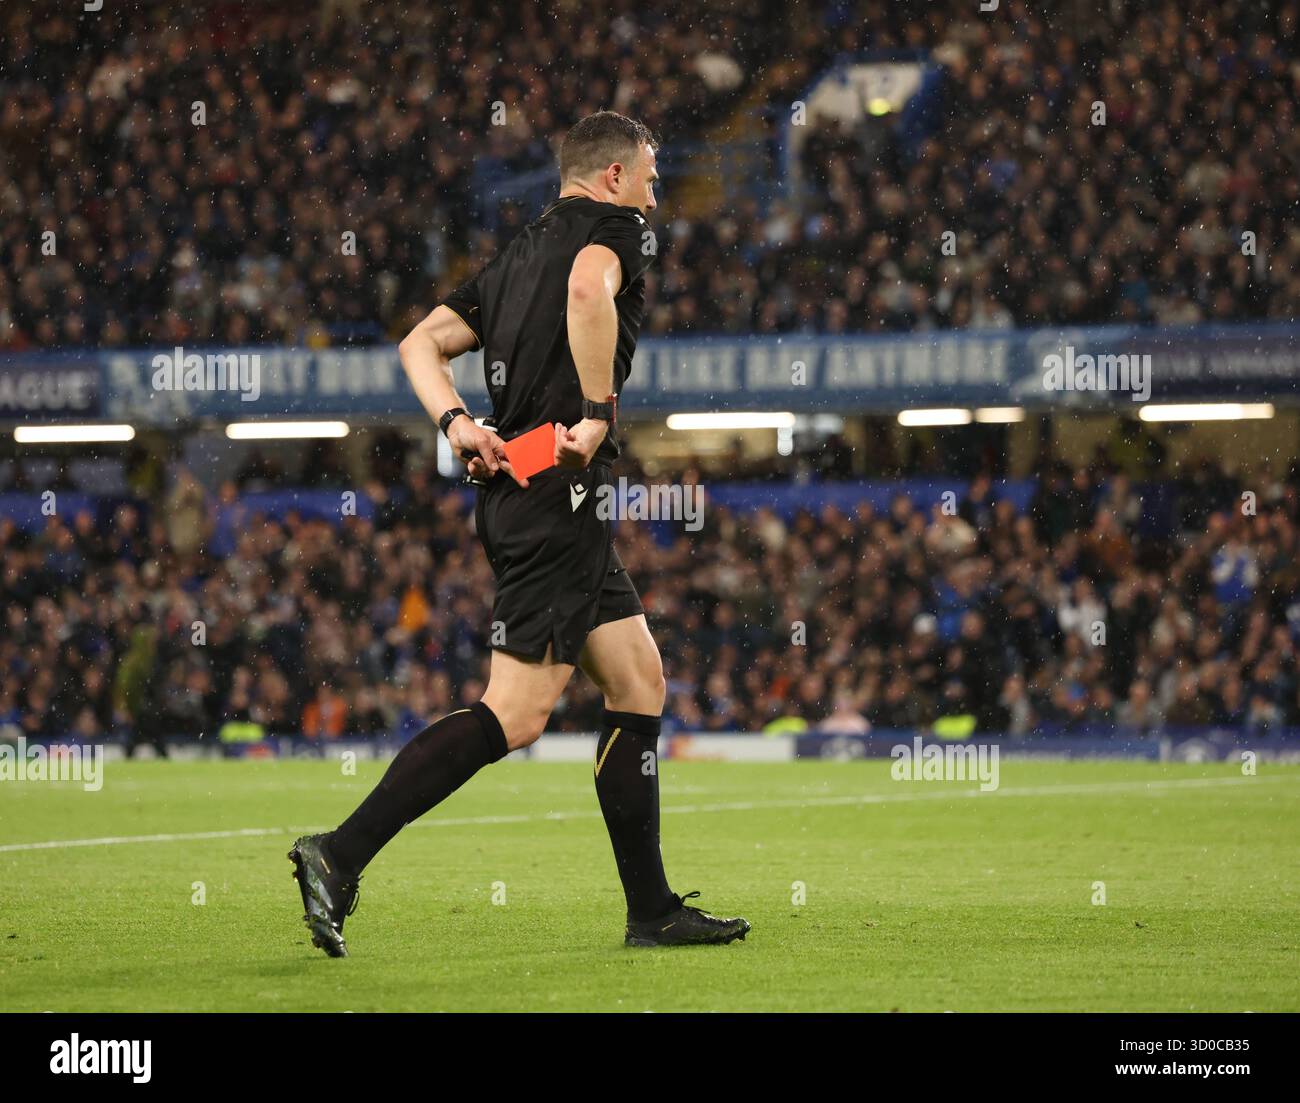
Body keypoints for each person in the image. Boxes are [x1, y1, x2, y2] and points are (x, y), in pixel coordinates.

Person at [288, 111, 749, 956]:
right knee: (517, 712)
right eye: (648, 174)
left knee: (639, 675)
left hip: (520, 484)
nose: (655, 192)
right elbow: (588, 292)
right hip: (557, 491)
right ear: (611, 176)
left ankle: (651, 909)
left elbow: (419, 343)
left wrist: (457, 422)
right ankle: (339, 854)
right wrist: (600, 412)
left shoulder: (511, 256)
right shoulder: (620, 230)